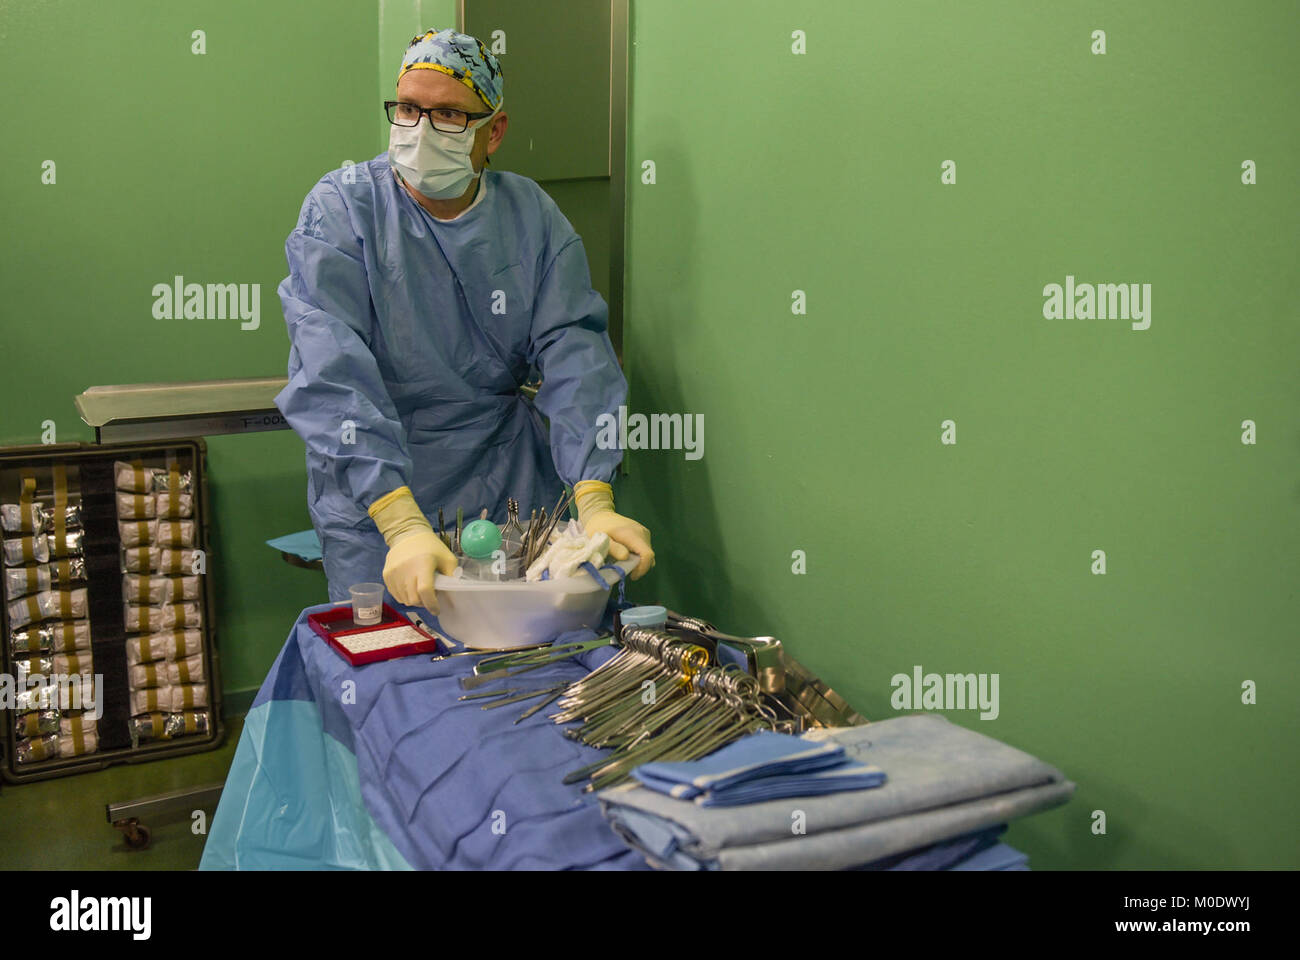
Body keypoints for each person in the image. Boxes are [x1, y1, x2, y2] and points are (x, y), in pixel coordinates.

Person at [275, 28, 653, 611]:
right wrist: (400, 522)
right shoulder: (344, 209)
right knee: (393, 674)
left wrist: (594, 495)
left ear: (493, 131)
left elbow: (575, 354)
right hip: (378, 493)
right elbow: (330, 370)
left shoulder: (532, 217)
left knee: (526, 656)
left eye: (449, 114)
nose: (420, 130)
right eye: (407, 109)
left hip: (508, 481)